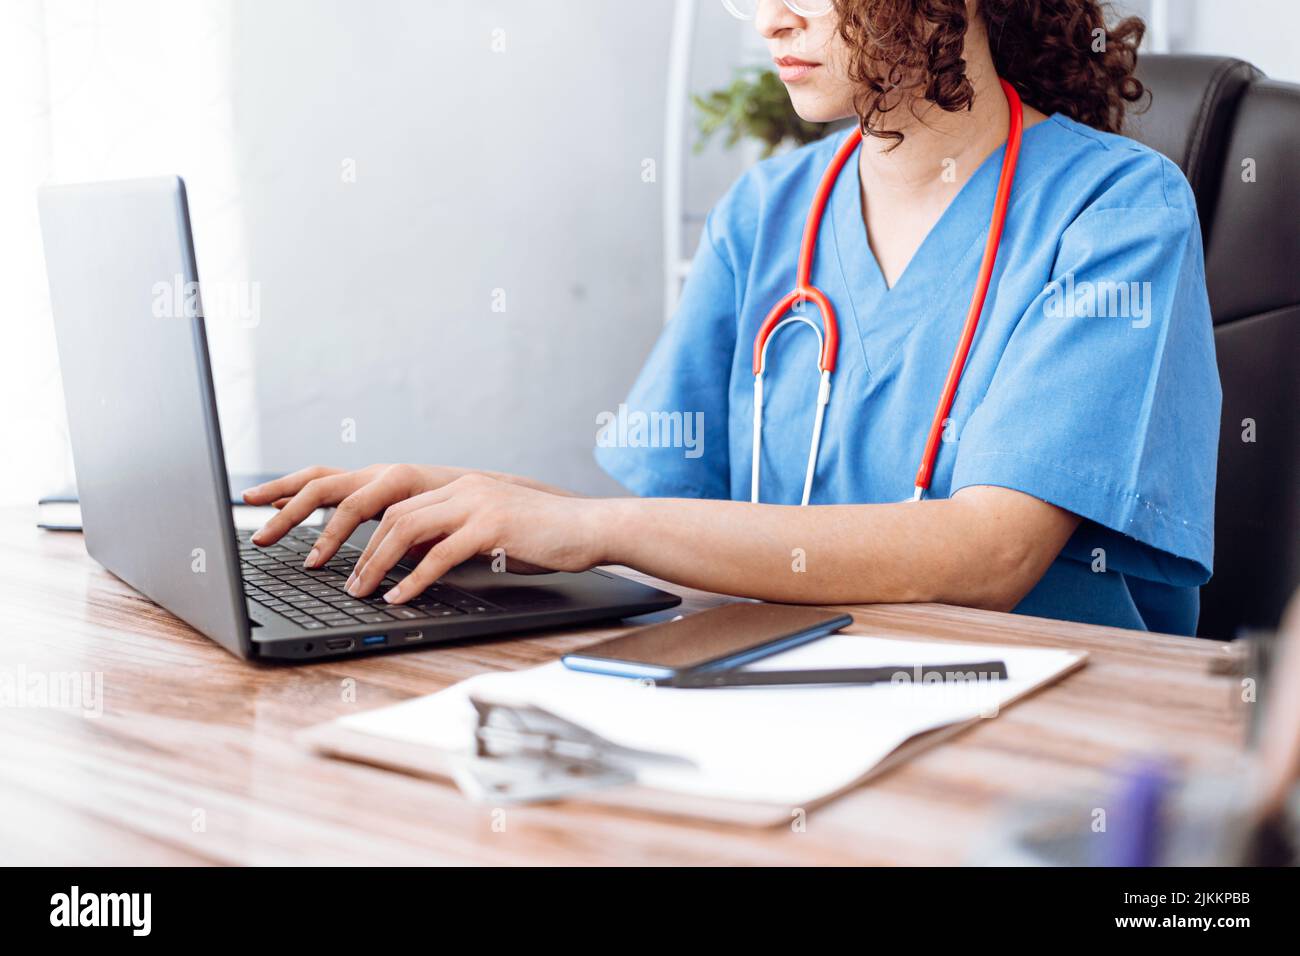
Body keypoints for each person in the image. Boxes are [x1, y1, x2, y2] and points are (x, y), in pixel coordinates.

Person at [244, 0, 1220, 635]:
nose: (767, 19)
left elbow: (989, 553)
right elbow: (677, 517)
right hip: (789, 701)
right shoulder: (765, 211)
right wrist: (471, 494)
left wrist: (587, 525)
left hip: (1046, 739)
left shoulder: (1117, 210)